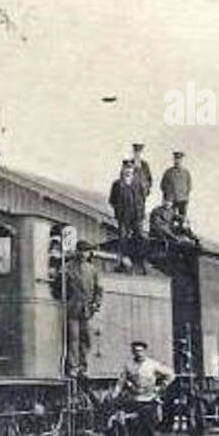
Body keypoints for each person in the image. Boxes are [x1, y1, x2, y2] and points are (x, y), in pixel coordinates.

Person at [113, 340, 175, 436]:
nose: (138, 353)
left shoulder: (152, 365)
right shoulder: (128, 365)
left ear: (145, 351)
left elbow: (171, 374)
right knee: (125, 421)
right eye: (136, 351)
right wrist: (116, 393)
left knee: (148, 428)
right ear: (132, 352)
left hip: (149, 399)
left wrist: (161, 387)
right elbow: (121, 382)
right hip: (135, 398)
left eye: (140, 351)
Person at [63, 240, 103, 377]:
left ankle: (83, 367)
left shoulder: (92, 269)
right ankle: (73, 367)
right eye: (81, 251)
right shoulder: (67, 268)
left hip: (87, 310)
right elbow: (59, 286)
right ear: (76, 251)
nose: (83, 254)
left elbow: (99, 289)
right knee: (73, 338)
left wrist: (96, 304)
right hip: (72, 308)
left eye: (86, 251)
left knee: (85, 339)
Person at [108, 161, 146, 272]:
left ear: (133, 172)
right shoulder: (117, 184)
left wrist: (140, 213)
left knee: (139, 237)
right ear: (122, 170)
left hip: (136, 216)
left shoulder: (138, 184)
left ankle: (139, 262)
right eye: (126, 169)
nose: (128, 172)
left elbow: (142, 199)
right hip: (123, 217)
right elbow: (112, 200)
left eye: (130, 170)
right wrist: (118, 211)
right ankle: (123, 263)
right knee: (123, 239)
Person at [160, 150, 191, 218]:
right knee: (170, 218)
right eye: (176, 159)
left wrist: (184, 195)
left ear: (182, 160)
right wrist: (168, 196)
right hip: (171, 200)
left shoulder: (186, 173)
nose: (177, 161)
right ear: (173, 160)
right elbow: (162, 185)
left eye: (179, 159)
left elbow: (189, 187)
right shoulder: (168, 172)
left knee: (182, 219)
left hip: (182, 200)